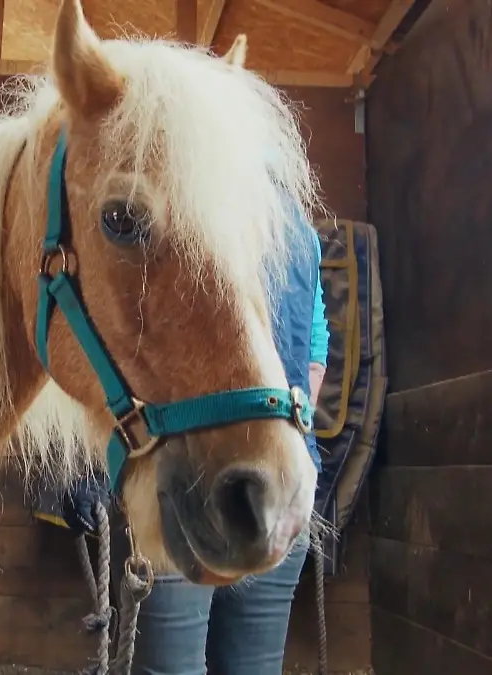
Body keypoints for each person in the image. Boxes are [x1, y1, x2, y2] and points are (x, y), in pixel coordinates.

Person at [61, 200, 329, 675]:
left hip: (187, 482)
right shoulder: (300, 232)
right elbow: (313, 366)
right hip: (283, 484)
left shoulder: (189, 209)